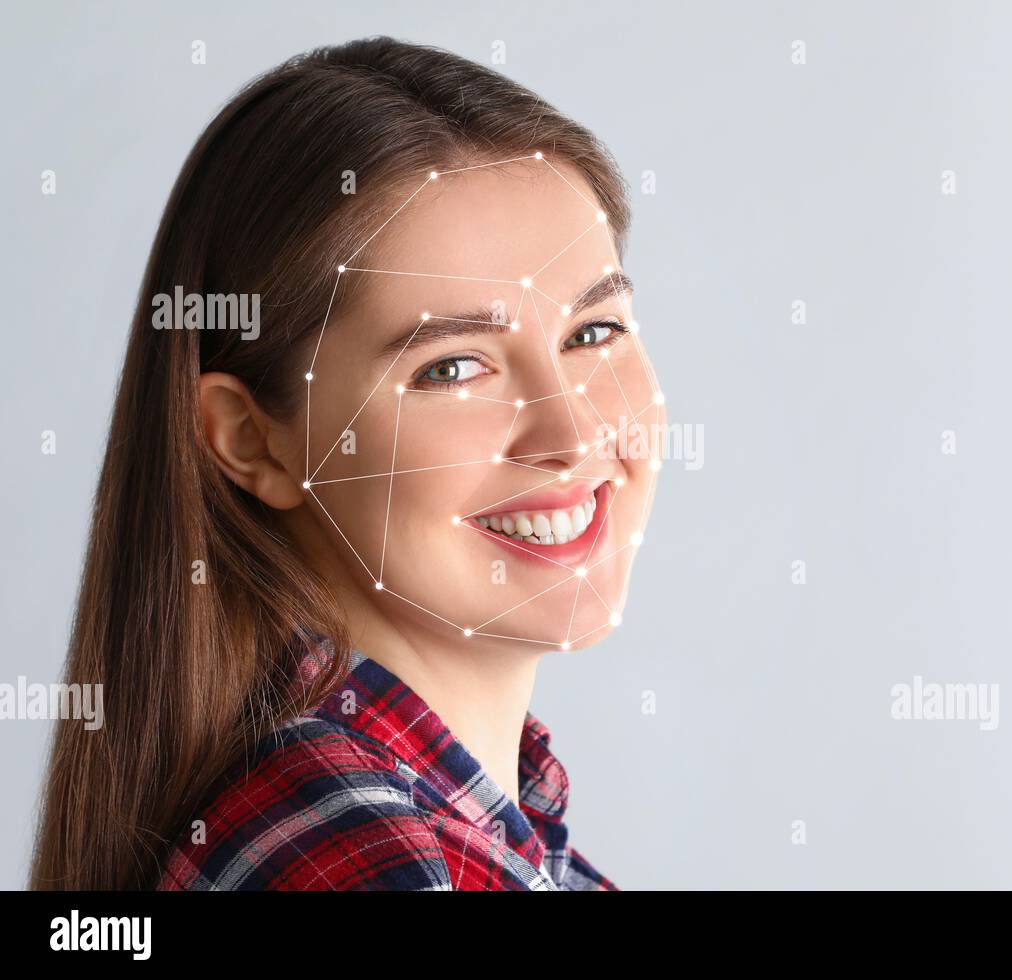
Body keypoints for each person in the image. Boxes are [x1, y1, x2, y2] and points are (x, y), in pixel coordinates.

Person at [28, 36, 661, 891]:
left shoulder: (486, 839)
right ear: (252, 438)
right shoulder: (361, 865)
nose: (572, 432)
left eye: (592, 332)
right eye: (451, 367)